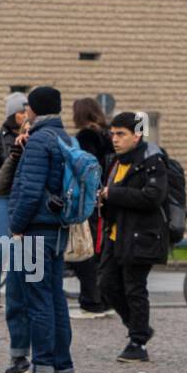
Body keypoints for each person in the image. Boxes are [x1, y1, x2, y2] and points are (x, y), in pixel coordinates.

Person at [7, 86, 74, 373]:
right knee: (55, 298)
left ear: (33, 109)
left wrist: (17, 226)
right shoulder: (64, 138)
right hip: (58, 229)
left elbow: (30, 191)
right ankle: (64, 368)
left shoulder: (38, 142)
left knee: (37, 300)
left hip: (34, 231)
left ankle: (43, 368)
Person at [99, 111, 169, 363]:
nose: (115, 139)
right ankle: (138, 327)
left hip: (142, 235)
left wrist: (113, 194)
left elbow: (153, 196)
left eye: (121, 134)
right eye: (112, 134)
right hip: (116, 234)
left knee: (134, 289)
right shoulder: (116, 161)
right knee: (106, 284)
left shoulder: (152, 160)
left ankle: (137, 342)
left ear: (136, 135)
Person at [0, 92, 30, 315]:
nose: (25, 116)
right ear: (13, 114)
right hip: (4, 194)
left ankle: (16, 296)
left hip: (24, 195)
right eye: (21, 112)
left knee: (22, 249)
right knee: (0, 245)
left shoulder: (32, 135)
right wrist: (8, 167)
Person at [70, 97, 115, 320]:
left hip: (92, 201)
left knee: (87, 250)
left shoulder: (86, 137)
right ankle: (104, 297)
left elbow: (86, 170)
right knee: (101, 250)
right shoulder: (109, 134)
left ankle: (92, 298)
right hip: (109, 198)